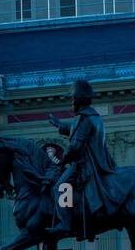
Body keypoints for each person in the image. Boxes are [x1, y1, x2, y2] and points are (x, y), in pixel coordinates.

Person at [47, 78, 117, 240]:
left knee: (60, 187)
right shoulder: (93, 117)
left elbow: (76, 146)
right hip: (99, 162)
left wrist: (64, 160)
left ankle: (65, 223)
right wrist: (59, 125)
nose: (71, 103)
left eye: (72, 99)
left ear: (77, 101)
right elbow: (76, 130)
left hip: (86, 164)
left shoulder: (83, 118)